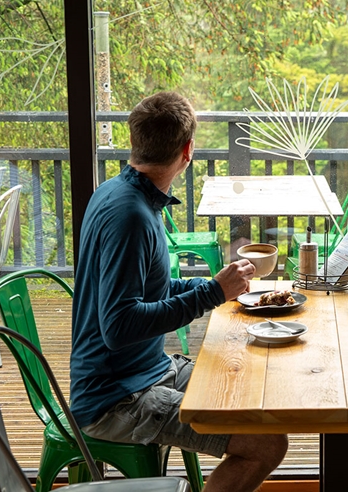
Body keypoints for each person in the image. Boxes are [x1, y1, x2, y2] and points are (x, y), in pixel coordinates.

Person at [70, 91, 288, 492]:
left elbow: (148, 289)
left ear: (135, 141)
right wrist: (210, 295)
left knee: (251, 381)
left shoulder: (119, 193)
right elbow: (118, 326)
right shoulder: (131, 216)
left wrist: (213, 287)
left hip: (148, 370)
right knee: (266, 444)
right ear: (188, 150)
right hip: (115, 397)